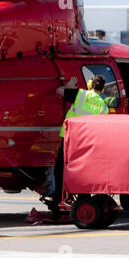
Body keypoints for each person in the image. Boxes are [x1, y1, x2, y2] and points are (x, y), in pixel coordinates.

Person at [46, 74, 110, 209]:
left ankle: (59, 201)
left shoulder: (80, 94)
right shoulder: (104, 107)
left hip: (70, 139)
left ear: (90, 85)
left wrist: (69, 85)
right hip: (87, 143)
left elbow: (58, 91)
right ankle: (82, 200)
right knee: (83, 172)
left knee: (61, 171)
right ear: (102, 90)